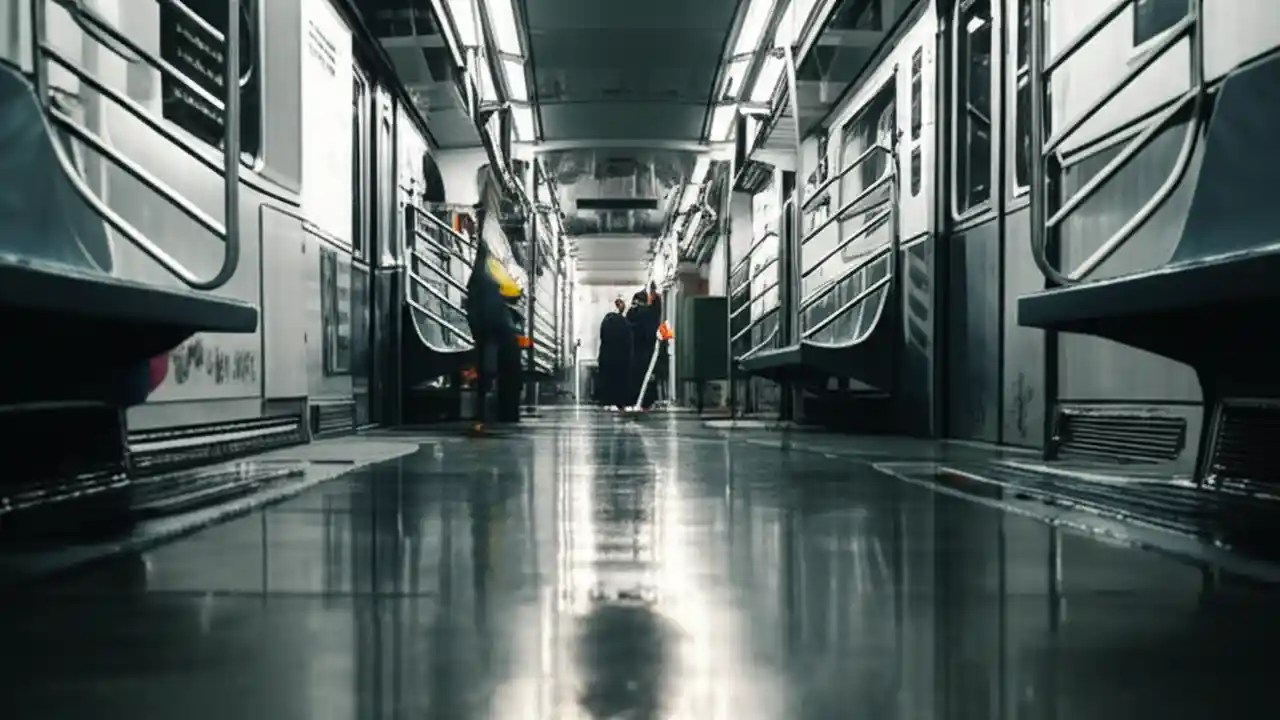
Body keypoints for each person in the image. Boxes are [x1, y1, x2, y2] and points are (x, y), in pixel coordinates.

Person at [464, 229, 522, 433]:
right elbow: (515, 292)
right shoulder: (492, 274)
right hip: (495, 331)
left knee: (486, 374)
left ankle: (484, 414)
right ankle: (505, 413)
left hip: (485, 332)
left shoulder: (478, 278)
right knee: (503, 373)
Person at [625, 290, 660, 410]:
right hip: (647, 352)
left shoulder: (631, 314)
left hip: (633, 352)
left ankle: (635, 401)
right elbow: (652, 334)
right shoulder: (651, 314)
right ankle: (646, 402)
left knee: (635, 378)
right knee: (647, 378)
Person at [596, 297, 633, 410]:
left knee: (607, 380)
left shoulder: (606, 321)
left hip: (607, 357)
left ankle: (607, 401)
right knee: (620, 381)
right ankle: (619, 402)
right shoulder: (624, 323)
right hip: (621, 358)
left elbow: (603, 337)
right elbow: (629, 341)